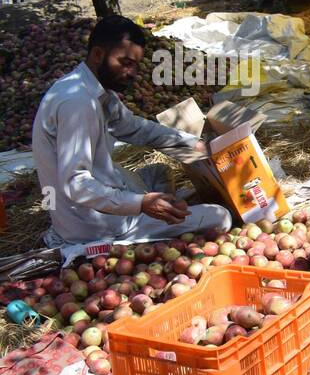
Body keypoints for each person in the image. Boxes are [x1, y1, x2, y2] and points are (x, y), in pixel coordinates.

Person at [32, 15, 231, 249]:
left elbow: (135, 128)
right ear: (98, 55)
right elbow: (76, 184)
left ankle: (165, 213)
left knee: (159, 172)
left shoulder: (94, 89)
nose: (132, 73)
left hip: (107, 191)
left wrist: (190, 143)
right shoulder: (78, 103)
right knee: (220, 217)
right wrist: (141, 203)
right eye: (125, 63)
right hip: (95, 224)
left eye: (135, 64)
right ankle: (149, 226)